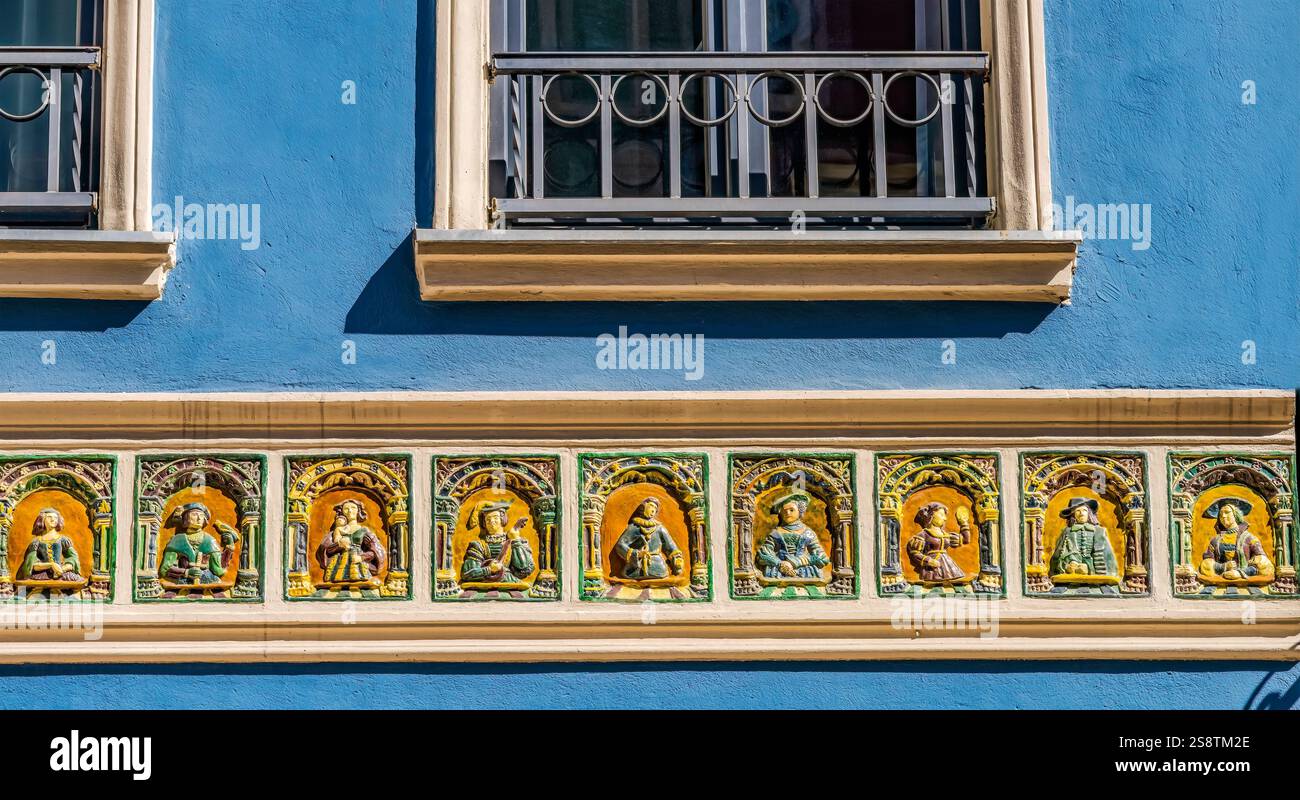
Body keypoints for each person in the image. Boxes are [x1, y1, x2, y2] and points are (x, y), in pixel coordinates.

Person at [756, 489, 830, 581]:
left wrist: (797, 562)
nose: (787, 513)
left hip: (805, 572)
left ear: (800, 511)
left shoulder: (808, 533)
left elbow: (822, 557)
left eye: (791, 510)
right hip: (778, 572)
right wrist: (780, 563)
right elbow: (763, 554)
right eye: (784, 511)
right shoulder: (776, 533)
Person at [159, 502, 239, 585]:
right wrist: (186, 572)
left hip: (208, 581)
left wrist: (229, 548)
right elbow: (165, 569)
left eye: (201, 515)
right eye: (194, 514)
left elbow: (218, 570)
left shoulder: (210, 540)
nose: (199, 518)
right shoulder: (177, 540)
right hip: (183, 583)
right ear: (185, 518)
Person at [1198, 497, 1273, 581]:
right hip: (1220, 582)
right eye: (1220, 514)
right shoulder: (1215, 541)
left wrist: (1241, 573)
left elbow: (1264, 564)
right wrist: (1223, 567)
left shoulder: (1249, 538)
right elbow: (1206, 564)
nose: (1223, 516)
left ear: (1236, 514)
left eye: (1227, 512)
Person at [315, 498, 386, 586]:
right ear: (342, 512)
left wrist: (362, 557)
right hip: (339, 564)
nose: (350, 511)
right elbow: (326, 550)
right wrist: (339, 545)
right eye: (346, 509)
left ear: (358, 511)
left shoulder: (364, 531)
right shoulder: (337, 531)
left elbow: (376, 551)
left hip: (357, 565)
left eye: (353, 508)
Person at [460, 500, 534, 584]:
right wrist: (489, 569)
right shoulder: (478, 546)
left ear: (503, 519)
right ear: (484, 523)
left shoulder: (515, 541)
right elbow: (467, 574)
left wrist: (515, 540)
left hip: (511, 584)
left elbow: (524, 569)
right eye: (488, 519)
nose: (491, 522)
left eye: (495, 517)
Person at [613, 497, 683, 581]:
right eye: (650, 506)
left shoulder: (659, 528)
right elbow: (620, 545)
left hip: (658, 567)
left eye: (655, 508)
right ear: (643, 508)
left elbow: (670, 547)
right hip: (635, 568)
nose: (653, 510)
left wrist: (677, 560)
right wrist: (637, 554)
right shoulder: (634, 527)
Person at [1049, 497, 1118, 582]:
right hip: (1071, 577)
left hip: (1096, 577)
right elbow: (1057, 556)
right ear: (1073, 514)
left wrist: (1090, 568)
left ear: (1089, 513)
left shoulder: (1099, 531)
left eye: (1084, 510)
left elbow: (1108, 558)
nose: (1081, 513)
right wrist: (1066, 566)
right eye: (1078, 511)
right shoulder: (1066, 531)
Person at [906, 501, 969, 583]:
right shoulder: (923, 534)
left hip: (948, 566)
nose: (945, 518)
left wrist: (963, 523)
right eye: (942, 515)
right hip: (931, 569)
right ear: (931, 516)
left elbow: (965, 540)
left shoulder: (945, 535)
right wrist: (928, 561)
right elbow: (915, 553)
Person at [15, 507, 82, 583]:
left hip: (62, 573)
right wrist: (51, 565)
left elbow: (73, 558)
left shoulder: (63, 540)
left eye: (55, 518)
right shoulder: (36, 542)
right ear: (42, 520)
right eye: (49, 517)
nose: (53, 520)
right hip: (41, 575)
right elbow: (30, 565)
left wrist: (62, 569)